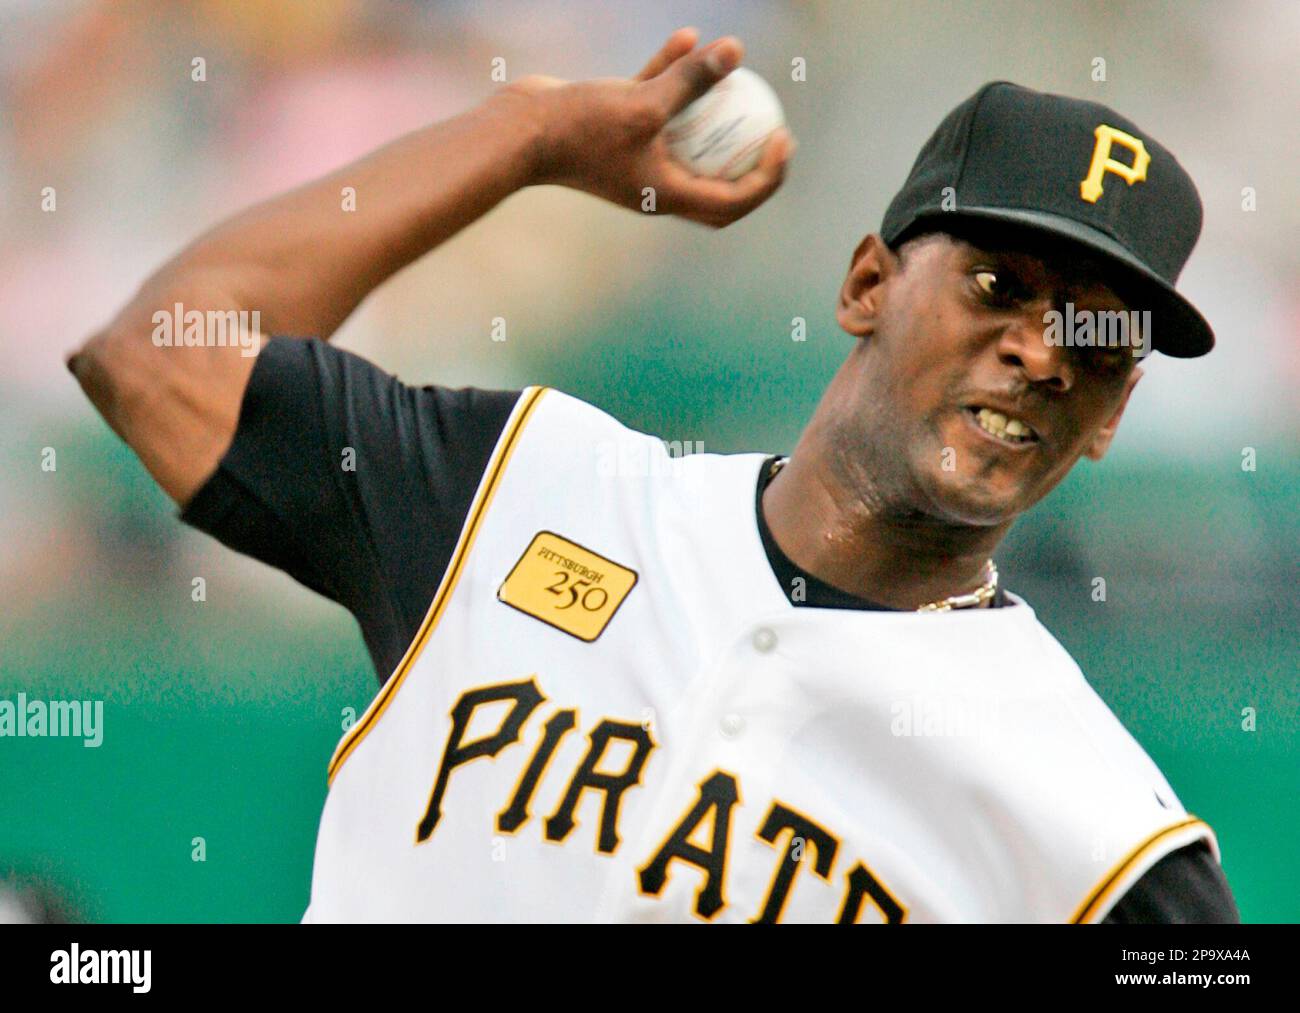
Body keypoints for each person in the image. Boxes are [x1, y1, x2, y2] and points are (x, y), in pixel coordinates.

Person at [68, 29, 1238, 923]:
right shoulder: (517, 489)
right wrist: (522, 140)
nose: (1040, 351)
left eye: (1095, 336)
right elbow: (156, 352)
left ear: (1112, 412)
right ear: (867, 286)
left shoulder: (1105, 841)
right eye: (998, 285)